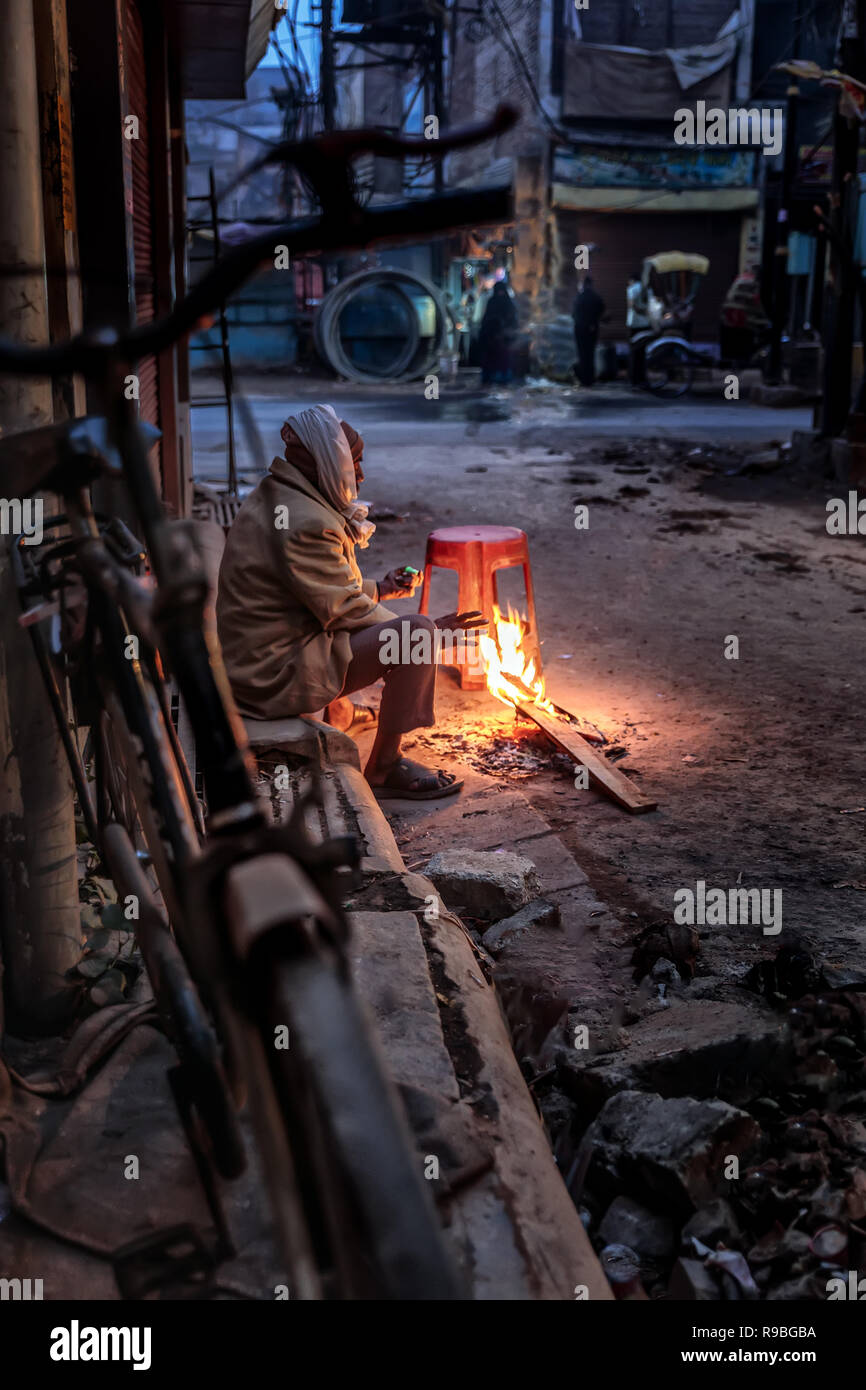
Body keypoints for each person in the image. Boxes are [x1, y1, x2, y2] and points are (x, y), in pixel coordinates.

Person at [216, 403, 484, 800]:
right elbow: (341, 608)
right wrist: (428, 631)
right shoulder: (306, 520)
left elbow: (314, 589)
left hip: (257, 662)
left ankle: (342, 713)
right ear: (326, 461)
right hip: (271, 677)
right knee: (417, 635)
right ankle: (384, 768)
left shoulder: (281, 494)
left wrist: (382, 588)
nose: (360, 473)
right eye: (353, 462)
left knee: (395, 630)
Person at [478, 281, 517, 385]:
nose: (500, 293)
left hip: (504, 338)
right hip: (491, 337)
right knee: (492, 360)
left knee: (503, 360)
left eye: (501, 291)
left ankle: (502, 378)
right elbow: (486, 319)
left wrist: (506, 331)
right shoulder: (492, 302)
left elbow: (513, 321)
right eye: (498, 291)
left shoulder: (508, 303)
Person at [572, 274, 605, 386]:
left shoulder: (579, 297)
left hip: (579, 329)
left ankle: (583, 379)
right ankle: (590, 379)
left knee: (582, 354)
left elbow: (573, 313)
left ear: (584, 284)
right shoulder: (596, 297)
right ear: (591, 284)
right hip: (592, 329)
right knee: (590, 354)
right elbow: (601, 310)